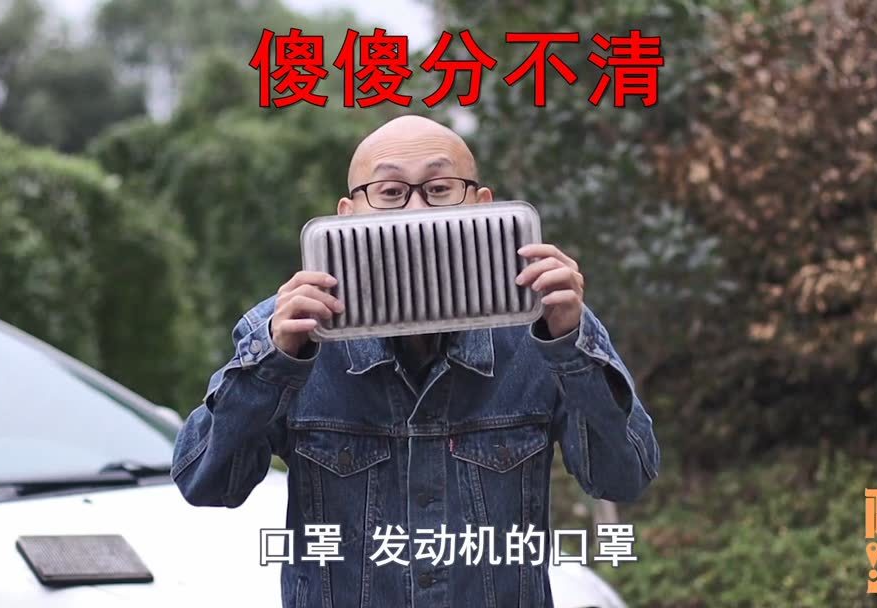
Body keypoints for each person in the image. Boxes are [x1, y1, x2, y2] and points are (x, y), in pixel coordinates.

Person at [172, 115, 660, 607]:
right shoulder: (287, 332)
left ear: (482, 204)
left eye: (440, 188)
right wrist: (274, 361)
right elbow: (206, 483)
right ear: (347, 215)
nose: (416, 209)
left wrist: (571, 345)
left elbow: (623, 476)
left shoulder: (547, 326)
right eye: (390, 192)